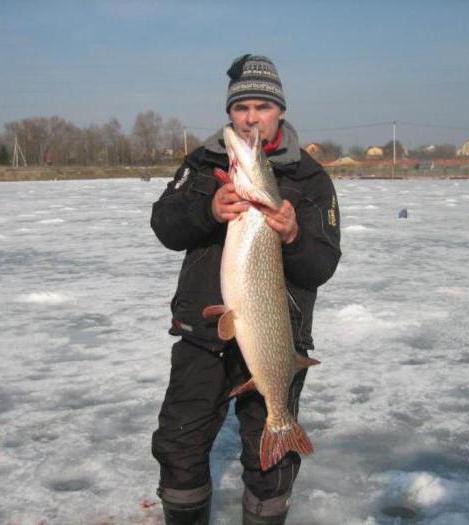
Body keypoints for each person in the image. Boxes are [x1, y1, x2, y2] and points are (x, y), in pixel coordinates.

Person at [150, 54, 341, 524]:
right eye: (242, 108)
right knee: (180, 444)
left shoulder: (310, 178)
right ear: (230, 113)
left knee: (269, 463)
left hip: (277, 335)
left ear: (279, 110)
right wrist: (208, 212)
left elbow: (322, 266)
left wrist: (294, 236)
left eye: (262, 106)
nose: (251, 118)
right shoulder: (202, 163)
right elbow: (165, 227)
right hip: (203, 330)